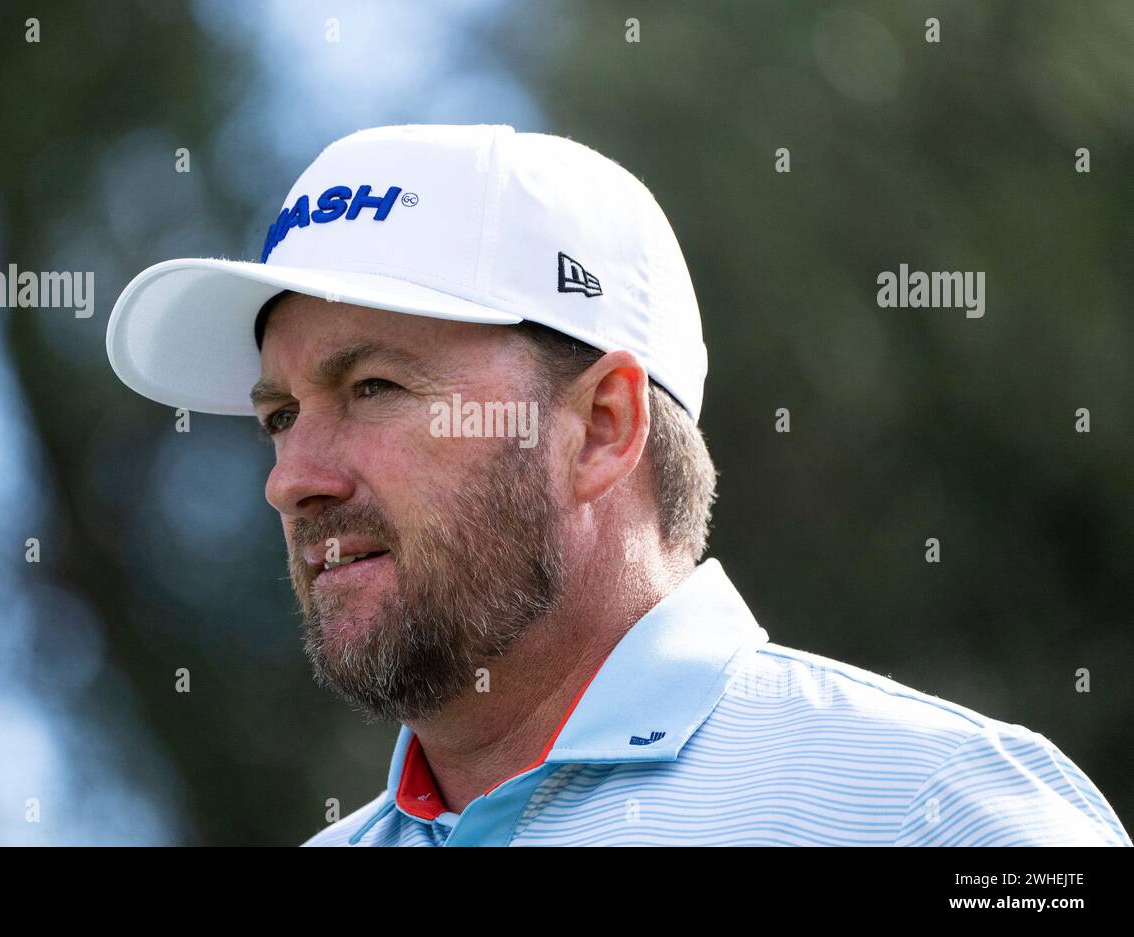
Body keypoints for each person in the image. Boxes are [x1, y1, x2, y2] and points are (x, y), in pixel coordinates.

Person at [106, 124, 1130, 846]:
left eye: (373, 387)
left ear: (602, 426)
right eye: (280, 414)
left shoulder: (938, 814)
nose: (291, 479)